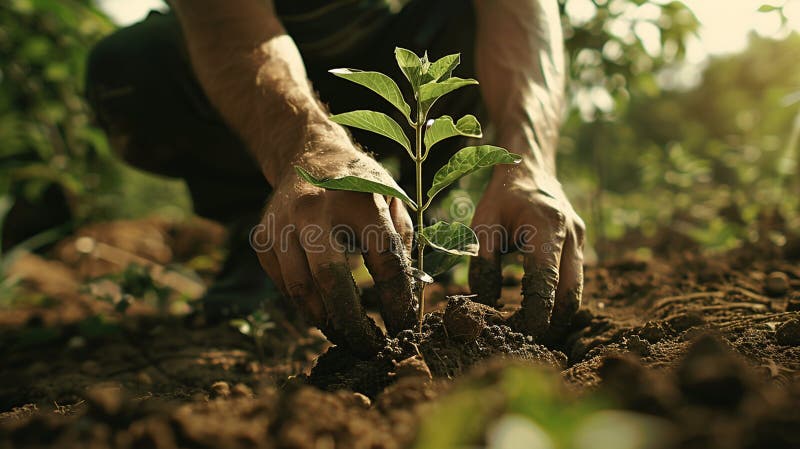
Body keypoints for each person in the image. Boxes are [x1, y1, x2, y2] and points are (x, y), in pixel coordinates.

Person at [86, 0, 585, 355]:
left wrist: (529, 162)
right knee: (127, 69)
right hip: (241, 76)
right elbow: (224, 19)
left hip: (368, 50)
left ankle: (410, 229)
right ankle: (264, 226)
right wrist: (306, 149)